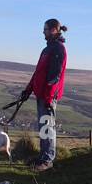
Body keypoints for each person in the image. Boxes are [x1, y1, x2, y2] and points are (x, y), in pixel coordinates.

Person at [18, 19, 68, 172]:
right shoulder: (47, 49)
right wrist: (28, 90)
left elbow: (55, 76)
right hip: (41, 95)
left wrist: (48, 97)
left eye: (45, 29)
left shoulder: (58, 49)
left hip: (48, 97)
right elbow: (38, 74)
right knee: (43, 127)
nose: (43, 32)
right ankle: (43, 156)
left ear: (54, 30)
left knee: (48, 127)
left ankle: (47, 160)